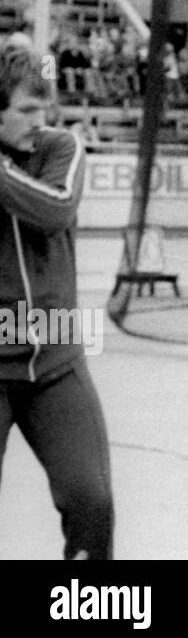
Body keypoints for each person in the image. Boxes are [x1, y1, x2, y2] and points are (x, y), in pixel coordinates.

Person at [0, 40, 113, 558]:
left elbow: (56, 209)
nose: (39, 120)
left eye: (43, 107)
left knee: (91, 499)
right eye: (25, 110)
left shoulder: (60, 148)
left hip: (55, 363)